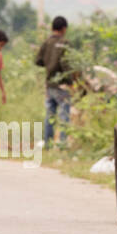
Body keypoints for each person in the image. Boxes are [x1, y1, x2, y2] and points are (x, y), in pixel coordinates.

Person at [34, 15, 74, 147]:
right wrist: (70, 81)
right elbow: (67, 64)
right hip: (61, 85)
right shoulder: (65, 43)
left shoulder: (47, 42)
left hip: (49, 84)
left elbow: (38, 61)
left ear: (52, 28)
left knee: (50, 115)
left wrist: (48, 63)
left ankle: (47, 143)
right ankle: (62, 143)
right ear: (63, 29)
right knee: (64, 115)